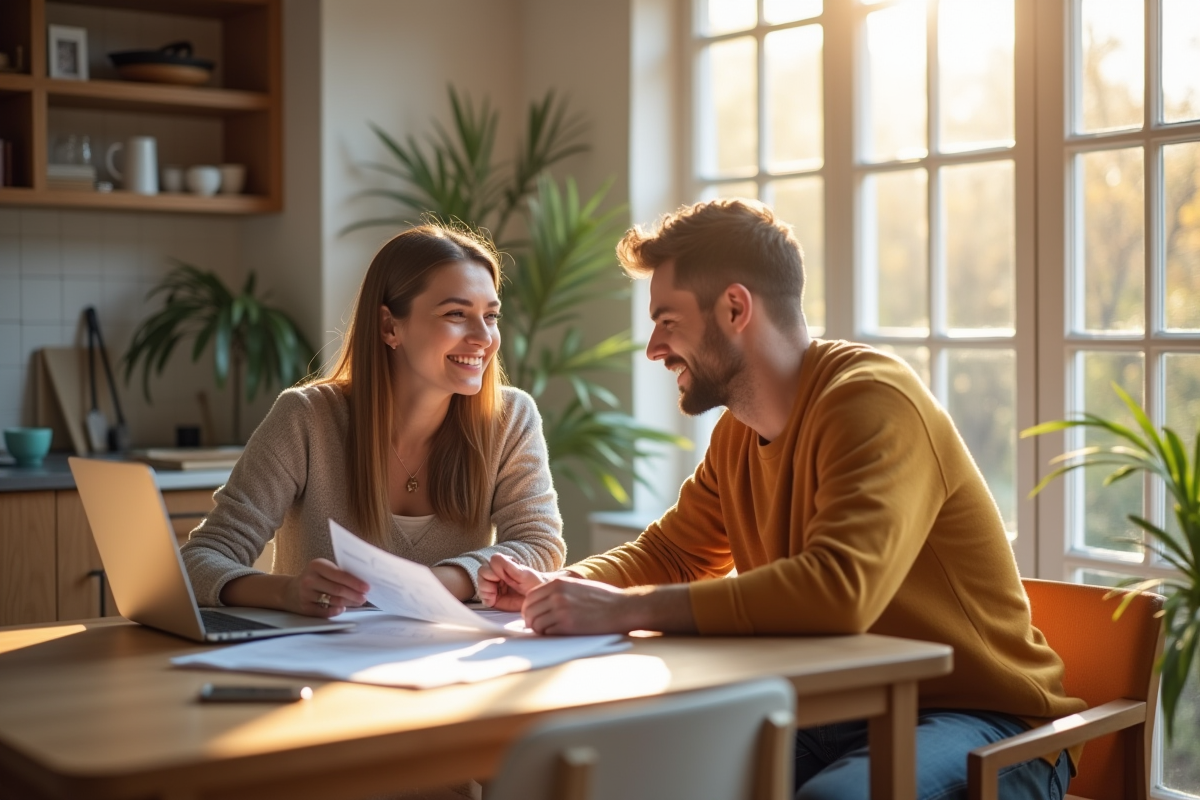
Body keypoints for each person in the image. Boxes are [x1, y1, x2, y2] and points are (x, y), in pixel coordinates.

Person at [478, 199, 1085, 800]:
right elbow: (674, 554)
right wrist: (561, 588)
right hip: (834, 711)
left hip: (987, 723)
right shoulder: (737, 434)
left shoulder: (872, 400)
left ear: (735, 308)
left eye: (668, 321)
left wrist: (620, 610)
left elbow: (838, 591)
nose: (654, 349)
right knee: (636, 777)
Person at [182, 224, 565, 620]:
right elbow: (199, 560)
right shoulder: (306, 418)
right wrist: (286, 592)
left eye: (491, 315)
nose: (484, 337)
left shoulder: (510, 418)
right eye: (456, 314)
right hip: (323, 654)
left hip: (447, 652)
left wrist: (429, 585)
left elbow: (539, 545)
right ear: (389, 326)